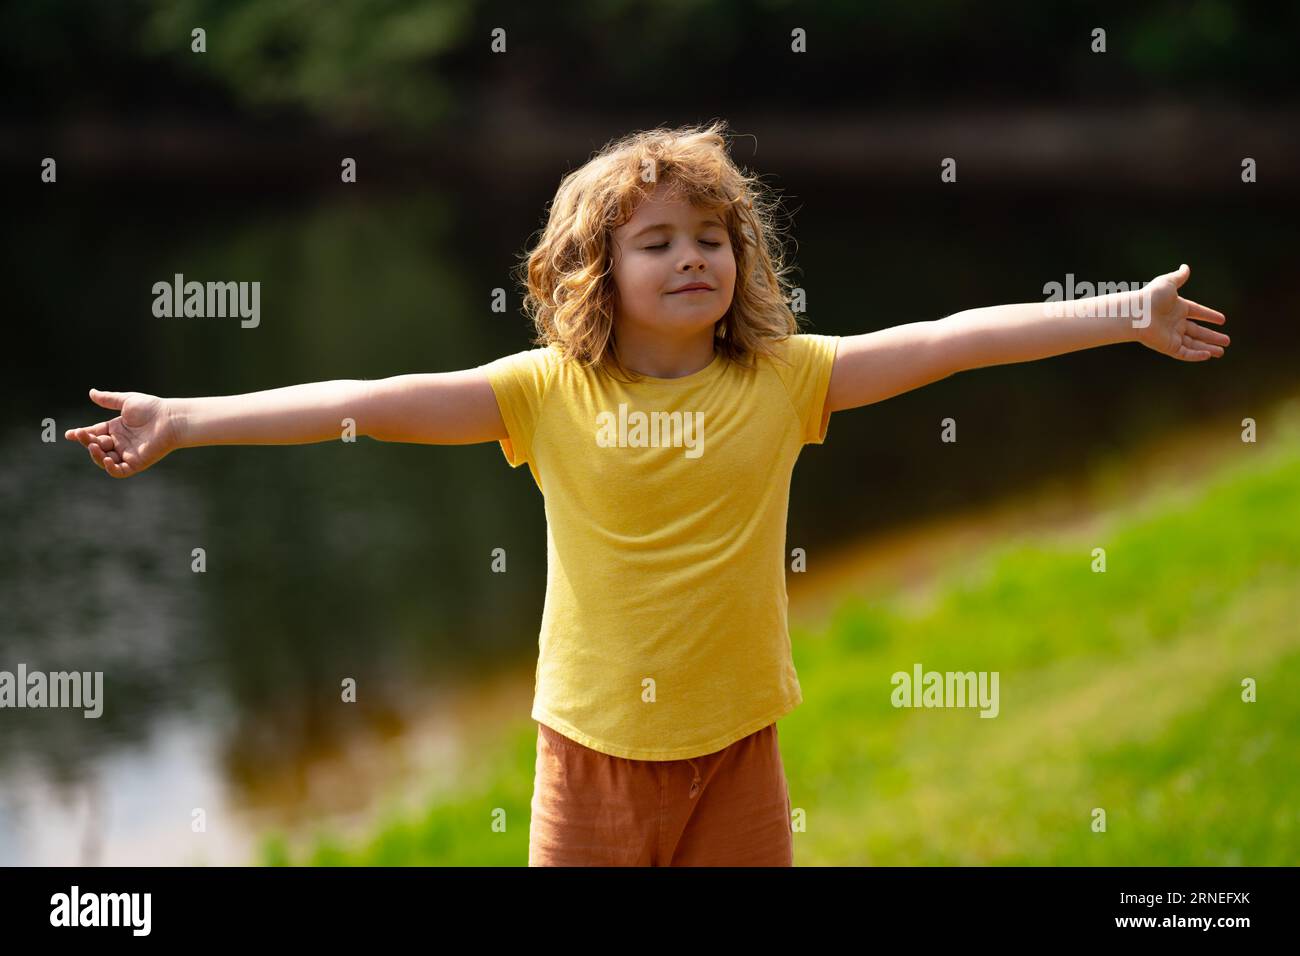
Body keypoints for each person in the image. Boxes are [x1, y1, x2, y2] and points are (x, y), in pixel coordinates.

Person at [63, 120, 1230, 866]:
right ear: (595, 272)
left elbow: (948, 339)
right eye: (658, 240)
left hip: (736, 750)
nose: (693, 259)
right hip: (592, 759)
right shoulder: (543, 390)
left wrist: (1121, 311)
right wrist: (186, 419)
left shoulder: (787, 378)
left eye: (714, 237)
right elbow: (361, 398)